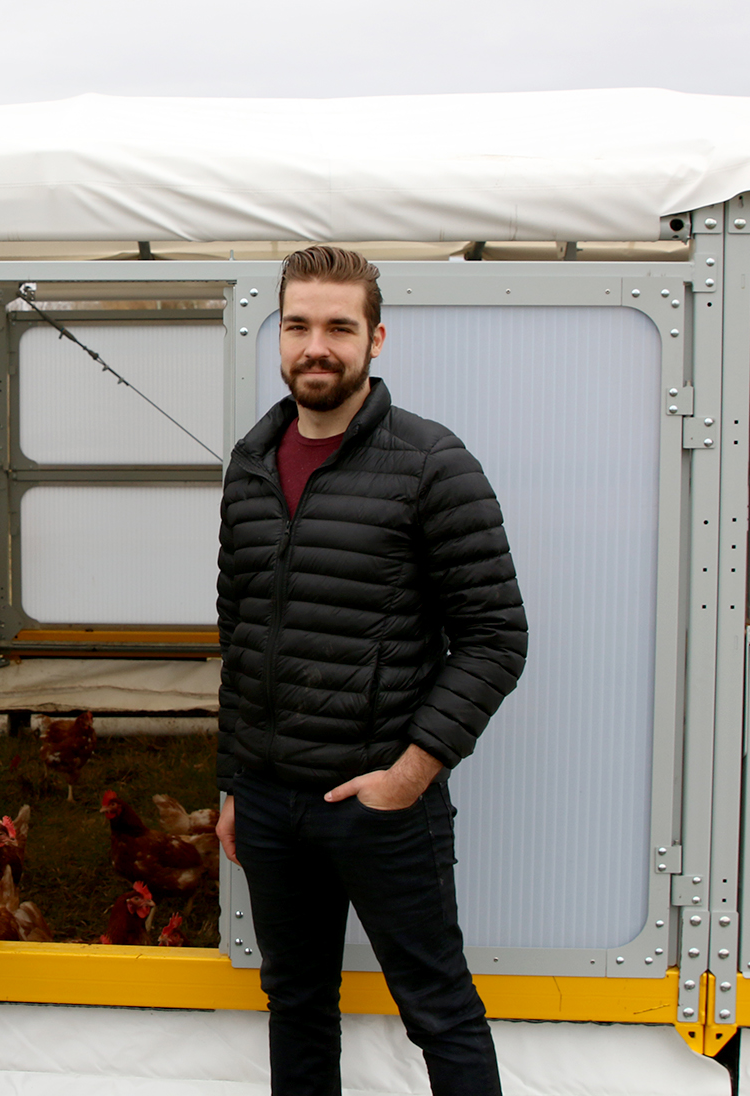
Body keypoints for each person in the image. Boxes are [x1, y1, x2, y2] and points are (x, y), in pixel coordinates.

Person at [214, 247, 527, 1096]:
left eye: (338, 328)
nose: (316, 346)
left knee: (438, 1008)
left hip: (381, 805)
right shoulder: (250, 464)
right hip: (271, 805)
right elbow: (240, 635)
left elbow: (496, 637)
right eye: (298, 326)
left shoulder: (431, 464)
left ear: (375, 338)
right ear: (279, 335)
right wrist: (236, 782)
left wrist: (410, 774)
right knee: (296, 1004)